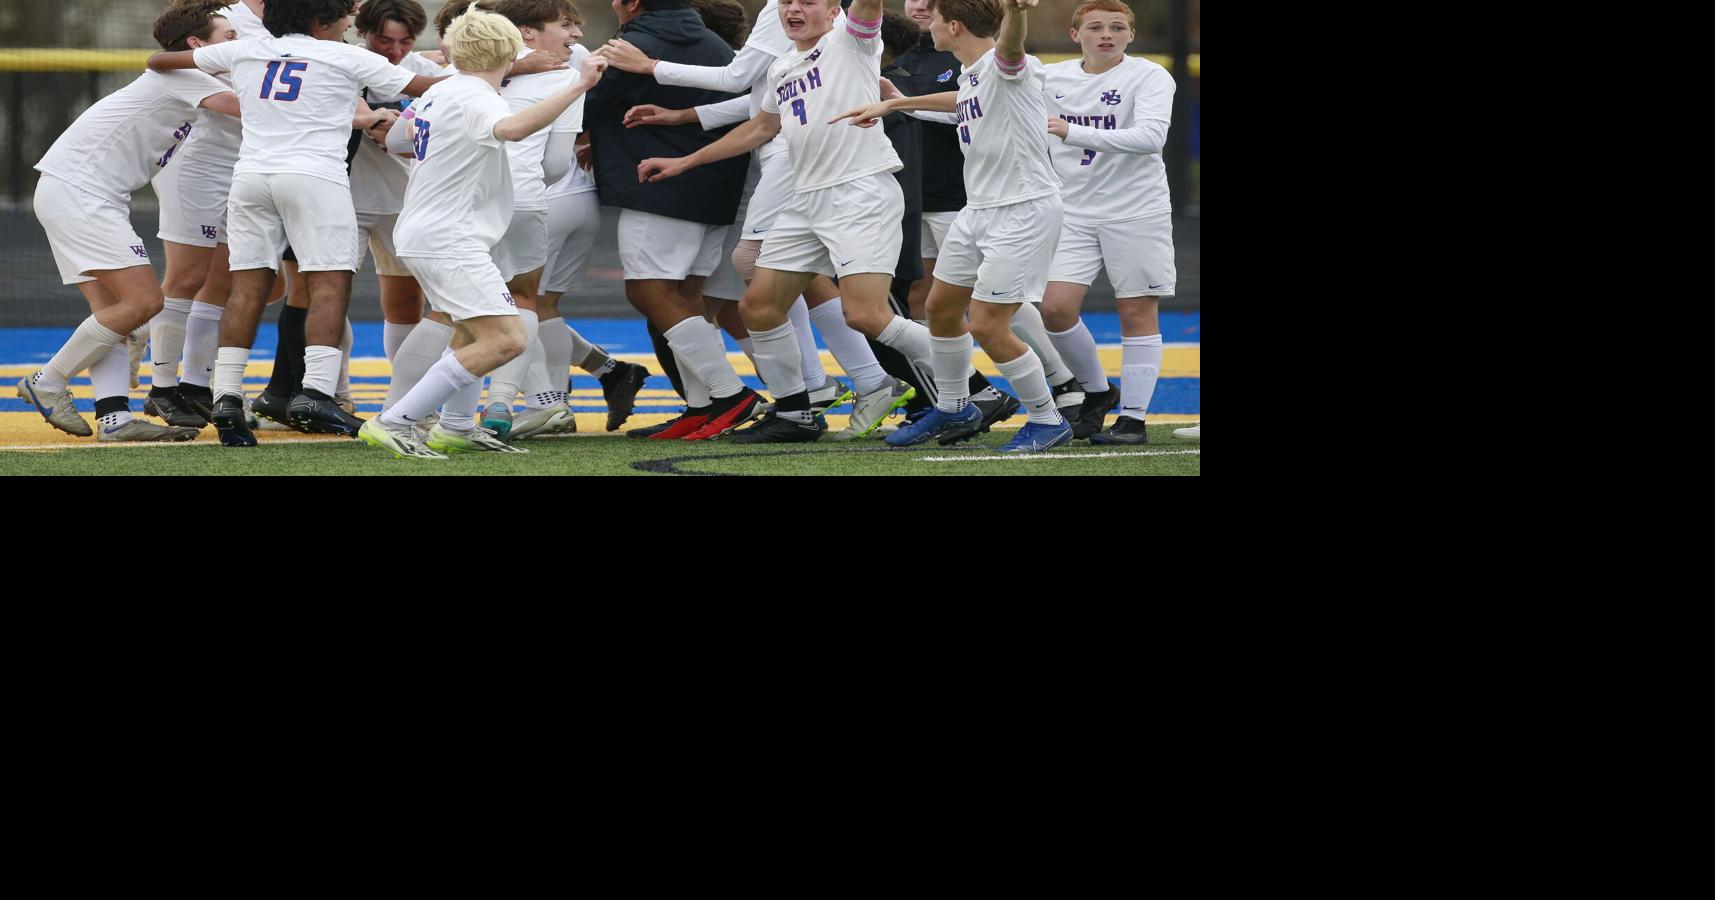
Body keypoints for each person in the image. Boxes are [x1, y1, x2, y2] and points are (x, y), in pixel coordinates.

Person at [146, 0, 448, 446]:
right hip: (314, 178)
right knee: (329, 281)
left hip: (251, 178)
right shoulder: (344, 55)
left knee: (246, 286)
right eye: (343, 15)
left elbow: (159, 61)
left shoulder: (246, 49)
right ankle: (317, 393)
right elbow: (431, 86)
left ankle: (226, 395)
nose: (349, 22)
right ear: (320, 20)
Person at [359, 7, 610, 457]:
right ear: (511, 51)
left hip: (432, 230)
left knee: (468, 329)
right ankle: (394, 419)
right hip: (450, 237)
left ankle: (455, 425)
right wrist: (578, 86)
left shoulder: (442, 89)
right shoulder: (479, 96)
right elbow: (511, 129)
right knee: (507, 338)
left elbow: (397, 139)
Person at [836, 0, 1073, 453]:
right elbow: (964, 102)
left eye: (937, 19)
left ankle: (1048, 418)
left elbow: (1011, 49)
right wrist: (899, 102)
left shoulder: (1006, 64)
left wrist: (1016, 11)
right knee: (941, 309)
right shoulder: (972, 73)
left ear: (956, 26)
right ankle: (954, 406)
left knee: (987, 324)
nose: (930, 25)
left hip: (1022, 211)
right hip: (978, 209)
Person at [16, 0, 242, 443]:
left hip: (76, 190)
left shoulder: (185, 77)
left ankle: (114, 417)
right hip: (81, 192)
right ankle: (48, 380)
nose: (239, 43)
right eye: (230, 37)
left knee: (112, 314)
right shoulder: (186, 76)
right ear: (197, 45)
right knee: (143, 302)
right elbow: (249, 108)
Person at [1037, 0, 1175, 446]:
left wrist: (1071, 131)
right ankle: (1098, 391)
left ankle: (1132, 420)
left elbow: (1151, 137)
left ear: (1131, 35)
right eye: (1095, 27)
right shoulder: (1049, 77)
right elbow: (981, 104)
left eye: (1117, 27)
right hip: (1072, 211)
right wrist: (903, 104)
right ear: (1074, 34)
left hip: (1136, 210)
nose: (1106, 35)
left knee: (1135, 312)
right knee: (1054, 308)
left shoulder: (1150, 75)